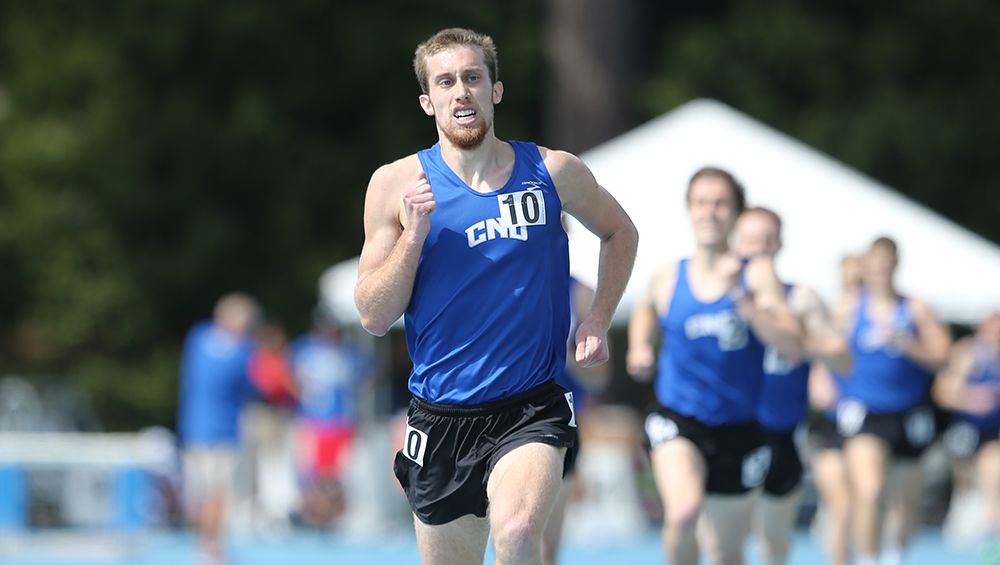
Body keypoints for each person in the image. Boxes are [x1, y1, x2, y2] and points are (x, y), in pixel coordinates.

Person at [353, 28, 637, 565]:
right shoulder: (396, 185)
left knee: (517, 530)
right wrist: (413, 236)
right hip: (440, 415)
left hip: (531, 404)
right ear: (427, 101)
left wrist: (598, 317)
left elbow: (621, 232)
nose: (461, 91)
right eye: (446, 81)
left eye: (472, 77)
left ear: (495, 90)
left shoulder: (553, 171)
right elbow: (372, 314)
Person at [626, 168, 803, 565]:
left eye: (720, 203)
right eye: (701, 202)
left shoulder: (757, 275)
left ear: (736, 213)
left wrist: (740, 294)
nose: (709, 211)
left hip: (738, 429)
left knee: (727, 553)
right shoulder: (669, 274)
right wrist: (639, 346)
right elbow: (644, 307)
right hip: (679, 418)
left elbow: (792, 345)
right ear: (689, 211)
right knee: (685, 511)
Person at [732, 207, 851, 565]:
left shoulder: (800, 299)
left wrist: (794, 340)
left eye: (767, 239)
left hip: (781, 432)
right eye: (751, 239)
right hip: (728, 430)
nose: (759, 248)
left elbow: (843, 359)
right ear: (737, 243)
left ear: (779, 244)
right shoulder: (720, 296)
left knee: (774, 544)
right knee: (723, 541)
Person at [834, 237, 952, 565]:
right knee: (870, 491)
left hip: (908, 415)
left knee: (907, 502)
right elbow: (829, 353)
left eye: (885, 268)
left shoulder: (915, 308)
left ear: (895, 268)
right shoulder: (849, 307)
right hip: (865, 412)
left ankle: (894, 555)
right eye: (873, 269)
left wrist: (908, 344)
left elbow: (943, 356)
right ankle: (868, 559)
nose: (879, 275)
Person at [176, 292, 260, 564]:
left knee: (198, 494)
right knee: (218, 493)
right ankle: (209, 548)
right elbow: (253, 387)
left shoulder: (198, 337)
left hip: (192, 426)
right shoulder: (242, 352)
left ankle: (203, 544)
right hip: (222, 430)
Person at [542, 276, 613, 565]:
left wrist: (563, 352)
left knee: (543, 548)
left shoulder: (580, 294)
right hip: (497, 420)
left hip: (558, 425)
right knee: (507, 541)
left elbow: (600, 378)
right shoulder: (495, 276)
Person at [288, 305, 371, 528]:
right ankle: (314, 515)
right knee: (311, 473)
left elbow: (369, 377)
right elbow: (287, 378)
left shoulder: (350, 352)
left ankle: (333, 517)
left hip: (342, 421)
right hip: (313, 420)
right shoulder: (302, 348)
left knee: (338, 475)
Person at [808, 255, 863, 565]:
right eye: (849, 280)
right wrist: (819, 377)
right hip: (831, 423)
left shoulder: (882, 313)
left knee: (865, 502)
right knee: (842, 506)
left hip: (868, 420)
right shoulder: (830, 312)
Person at [934, 311, 1000, 548]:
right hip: (966, 428)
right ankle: (962, 519)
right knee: (966, 484)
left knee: (994, 481)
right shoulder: (968, 352)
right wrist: (972, 400)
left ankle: (990, 545)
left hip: (994, 430)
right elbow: (943, 392)